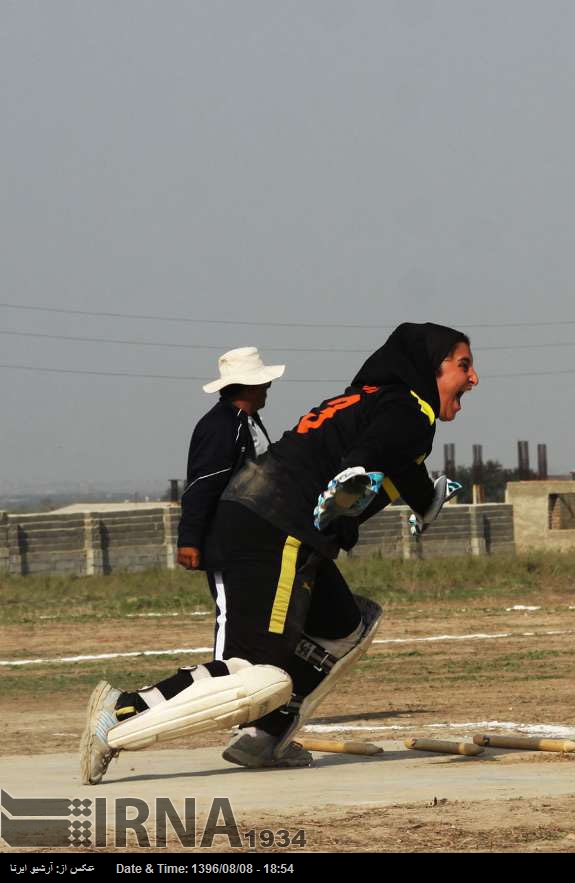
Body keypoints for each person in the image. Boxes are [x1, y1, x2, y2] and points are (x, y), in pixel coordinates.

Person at [80, 323, 478, 784]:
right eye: (463, 366)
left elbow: (399, 464)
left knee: (346, 625)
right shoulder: (411, 410)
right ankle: (120, 712)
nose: (473, 379)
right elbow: (371, 452)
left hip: (269, 520)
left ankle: (264, 736)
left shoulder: (379, 400)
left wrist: (426, 500)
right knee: (252, 673)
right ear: (431, 368)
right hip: (275, 526)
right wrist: (355, 476)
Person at [177, 347, 284, 573]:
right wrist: (189, 540)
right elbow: (204, 483)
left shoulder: (248, 421)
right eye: (265, 384)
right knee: (230, 608)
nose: (268, 389)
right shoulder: (221, 426)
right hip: (225, 542)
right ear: (250, 387)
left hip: (248, 537)